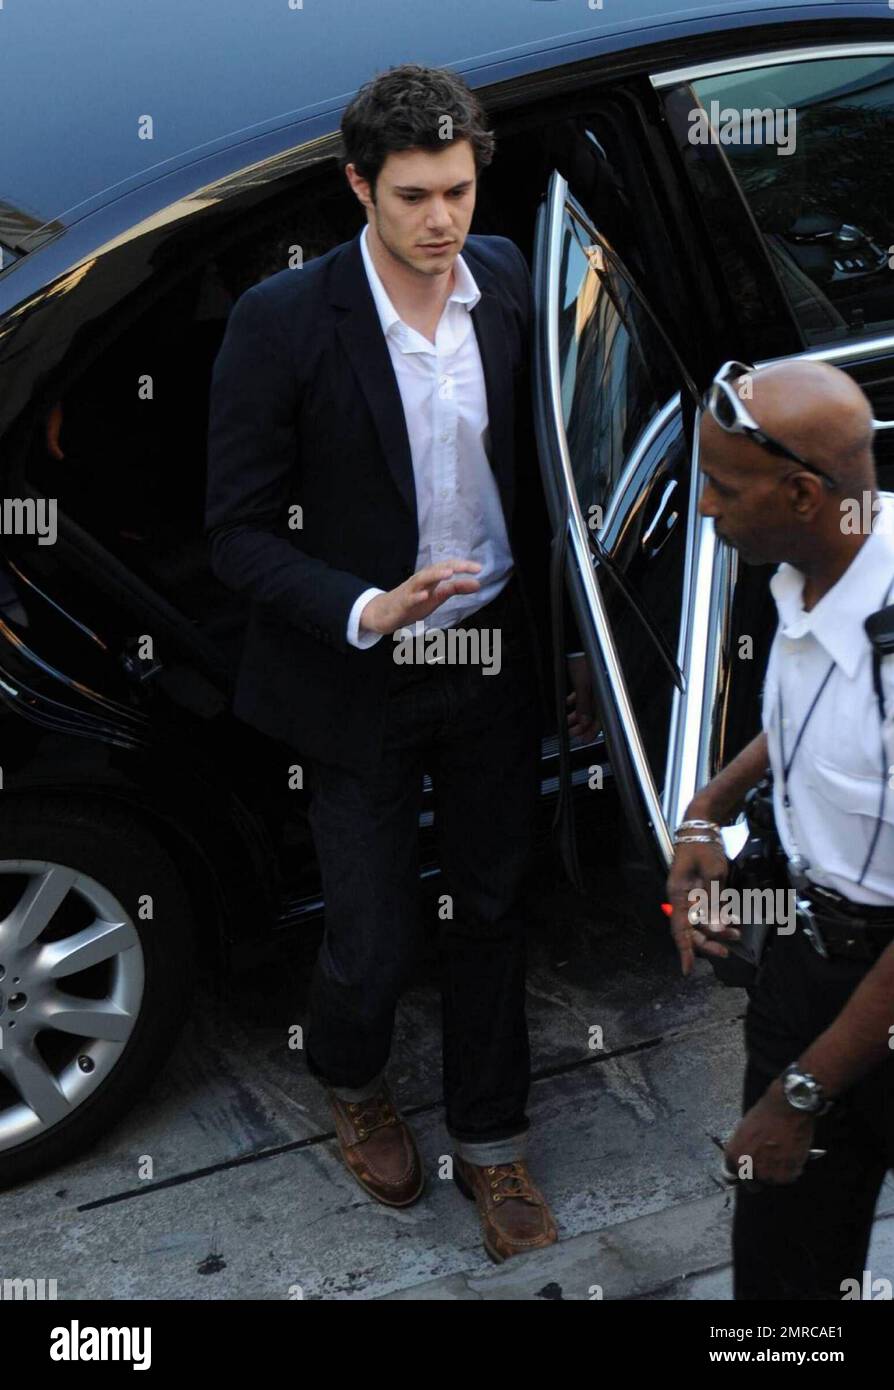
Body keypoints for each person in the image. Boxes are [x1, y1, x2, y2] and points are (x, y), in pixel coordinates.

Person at [206, 63, 596, 1263]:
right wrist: (367, 606)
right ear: (358, 187)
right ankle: (354, 1079)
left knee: (491, 904)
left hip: (491, 659)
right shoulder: (282, 322)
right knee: (369, 932)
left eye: (462, 191)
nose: (443, 221)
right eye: (416, 195)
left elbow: (548, 478)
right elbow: (232, 531)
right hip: (360, 672)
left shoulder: (515, 278)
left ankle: (494, 1144)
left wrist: (571, 637)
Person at [666, 357, 894, 1300]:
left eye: (722, 487)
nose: (705, 509)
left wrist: (799, 1095)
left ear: (803, 493)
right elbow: (810, 710)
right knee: (781, 1276)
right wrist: (707, 813)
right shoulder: (819, 561)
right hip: (807, 967)